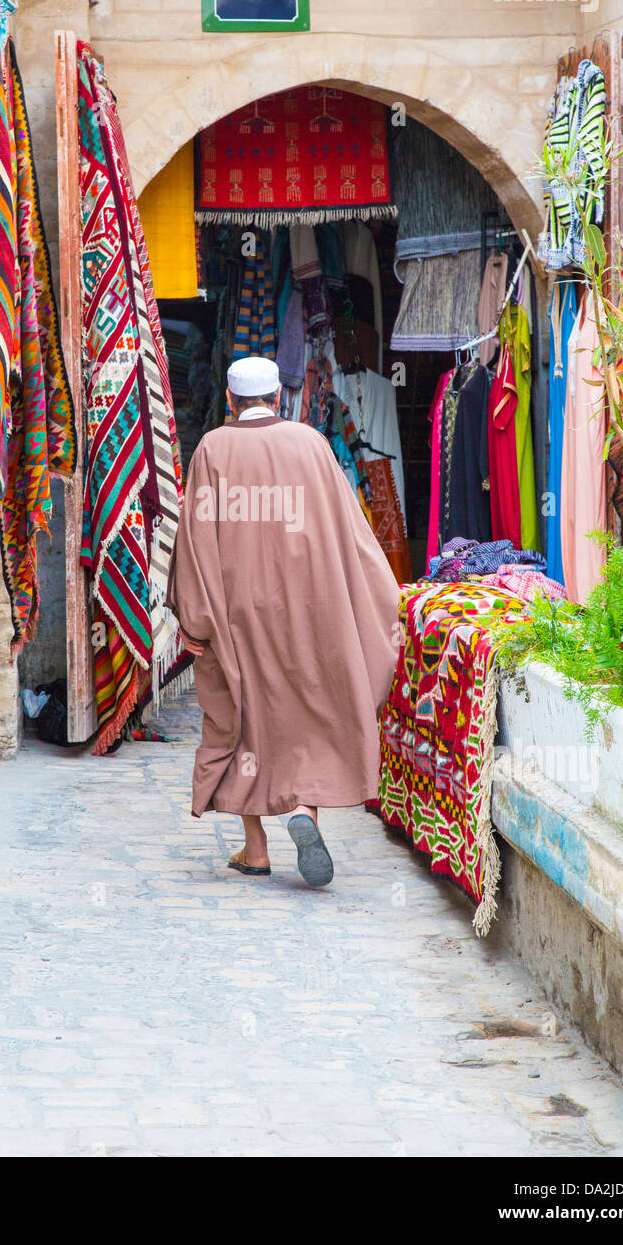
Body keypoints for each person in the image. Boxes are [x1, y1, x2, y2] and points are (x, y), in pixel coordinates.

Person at [166, 355, 399, 887]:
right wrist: (371, 599)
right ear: (277, 399)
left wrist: (195, 621)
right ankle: (305, 812)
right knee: (308, 709)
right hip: (311, 607)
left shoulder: (213, 449)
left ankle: (255, 849)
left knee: (244, 718)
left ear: (229, 401)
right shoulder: (311, 444)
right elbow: (350, 531)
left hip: (238, 610)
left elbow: (197, 538)